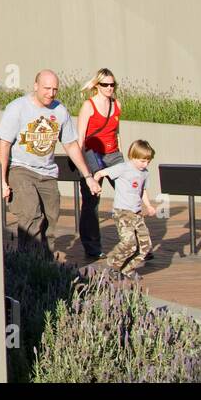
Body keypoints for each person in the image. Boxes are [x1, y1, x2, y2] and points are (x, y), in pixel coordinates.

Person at [0, 70, 101, 256]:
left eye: (55, 89)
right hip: (21, 169)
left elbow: (71, 145)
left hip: (48, 172)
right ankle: (29, 263)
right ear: (35, 86)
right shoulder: (18, 108)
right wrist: (2, 180)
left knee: (51, 220)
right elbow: (3, 145)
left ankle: (45, 267)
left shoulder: (59, 111)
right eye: (46, 88)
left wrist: (88, 176)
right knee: (31, 214)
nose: (51, 93)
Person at [75, 69, 123, 259]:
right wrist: (81, 165)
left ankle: (137, 242)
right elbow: (80, 137)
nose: (109, 88)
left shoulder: (116, 104)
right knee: (91, 201)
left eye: (112, 84)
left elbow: (117, 132)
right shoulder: (88, 106)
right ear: (97, 86)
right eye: (105, 85)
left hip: (113, 154)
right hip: (92, 154)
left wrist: (123, 157)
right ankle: (92, 246)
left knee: (128, 193)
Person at [93, 140, 157, 281]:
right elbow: (100, 173)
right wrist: (95, 184)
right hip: (122, 212)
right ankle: (112, 265)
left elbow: (143, 190)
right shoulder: (122, 168)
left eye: (148, 162)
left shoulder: (144, 173)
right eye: (142, 161)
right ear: (133, 156)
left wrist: (148, 206)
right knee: (129, 243)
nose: (145, 165)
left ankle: (128, 269)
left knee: (145, 246)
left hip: (137, 213)